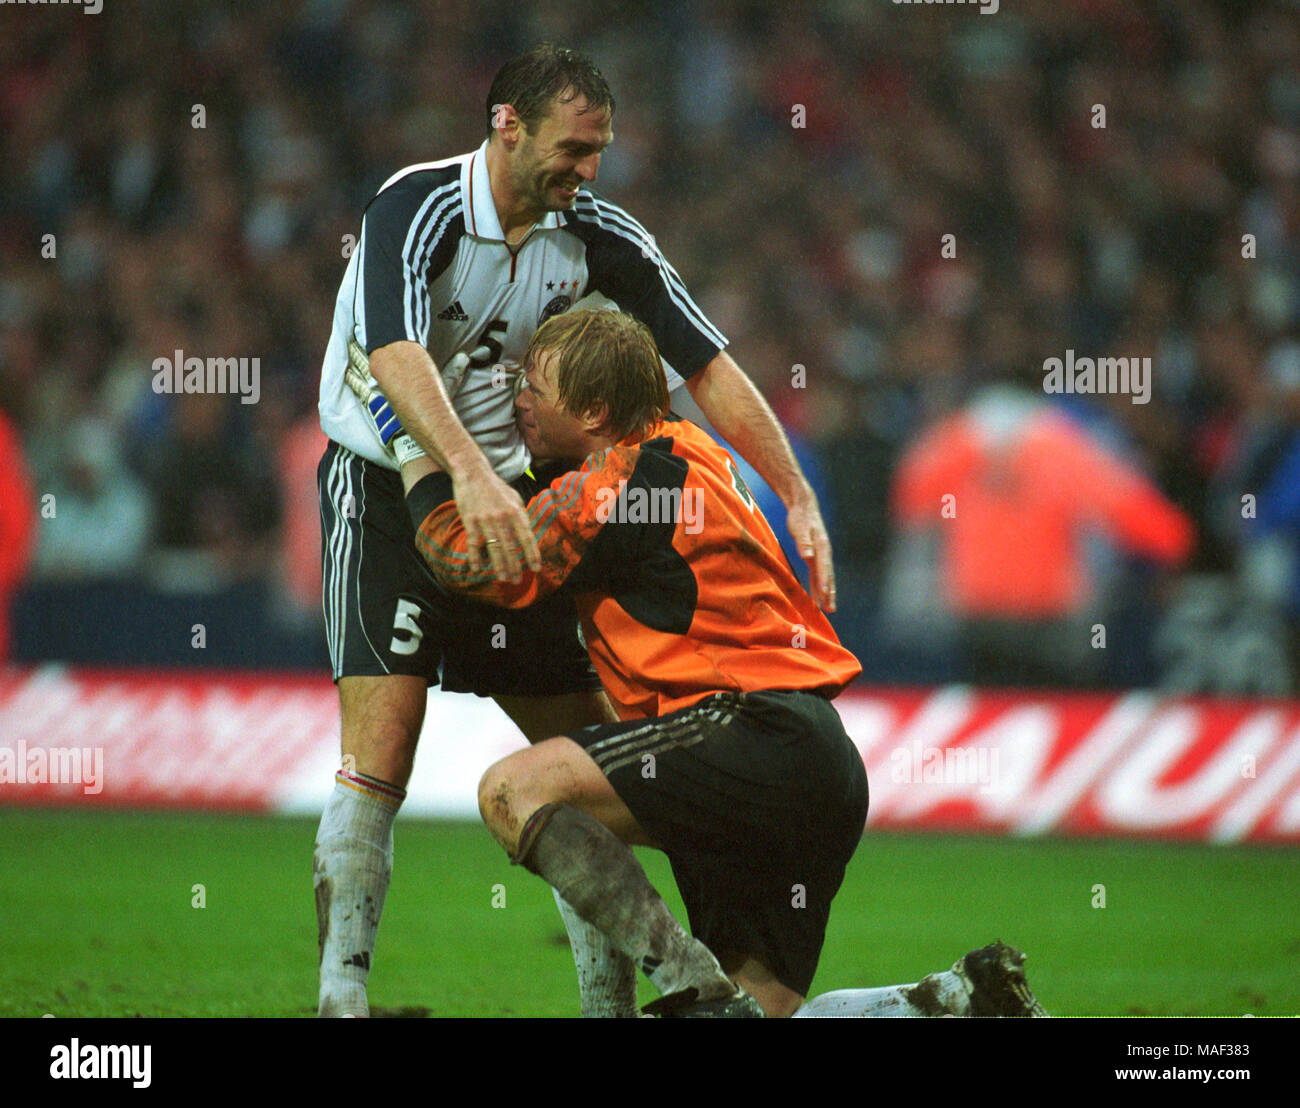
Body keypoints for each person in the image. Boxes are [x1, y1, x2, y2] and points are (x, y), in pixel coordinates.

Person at [313, 43, 835, 1018]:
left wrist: (794, 490)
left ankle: (609, 1006)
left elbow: (704, 357)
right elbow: (389, 346)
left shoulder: (596, 231)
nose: (588, 170)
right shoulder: (415, 208)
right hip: (390, 489)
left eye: (598, 149)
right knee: (384, 739)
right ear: (506, 123)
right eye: (574, 146)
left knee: (580, 753)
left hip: (515, 502)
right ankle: (341, 998)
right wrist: (464, 469)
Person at [366, 306, 1047, 1018]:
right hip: (821, 764)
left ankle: (692, 985)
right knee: (765, 1013)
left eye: (536, 386)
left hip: (745, 732)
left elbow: (467, 562)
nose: (520, 400)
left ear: (594, 411)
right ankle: (951, 999)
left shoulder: (615, 489)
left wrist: (410, 443)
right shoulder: (695, 450)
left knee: (514, 792)